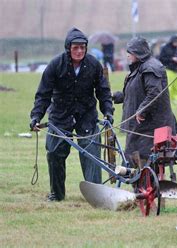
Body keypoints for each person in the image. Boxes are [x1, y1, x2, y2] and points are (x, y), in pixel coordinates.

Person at [30, 27, 114, 202]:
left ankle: (96, 196)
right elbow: (43, 94)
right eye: (75, 47)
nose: (79, 51)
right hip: (60, 115)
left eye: (82, 47)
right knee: (54, 152)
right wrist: (36, 116)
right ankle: (57, 194)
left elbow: (103, 92)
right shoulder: (55, 65)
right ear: (68, 48)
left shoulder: (93, 64)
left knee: (91, 153)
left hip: (86, 115)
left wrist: (107, 111)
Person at [113, 37, 177, 163]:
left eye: (130, 52)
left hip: (151, 125)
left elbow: (154, 93)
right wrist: (118, 96)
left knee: (143, 161)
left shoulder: (150, 67)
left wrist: (141, 110)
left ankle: (148, 181)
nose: (128, 56)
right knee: (135, 161)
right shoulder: (140, 67)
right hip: (141, 126)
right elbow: (137, 93)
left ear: (138, 53)